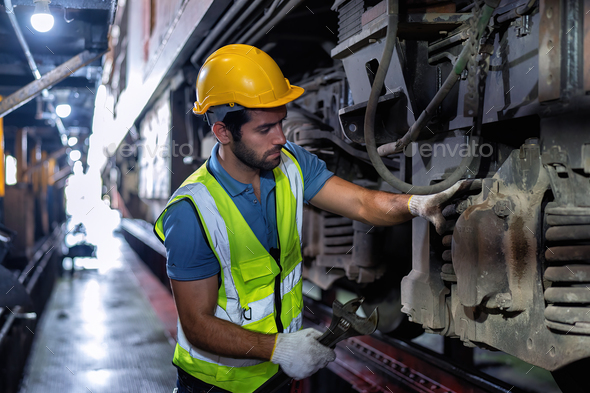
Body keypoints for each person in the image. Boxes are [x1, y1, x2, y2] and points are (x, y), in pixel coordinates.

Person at [154, 44, 466, 393]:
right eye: (264, 129)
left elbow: (362, 204)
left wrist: (417, 205)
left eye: (281, 122)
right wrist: (279, 348)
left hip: (279, 377)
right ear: (224, 133)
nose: (281, 138)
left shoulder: (289, 163)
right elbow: (197, 326)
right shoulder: (191, 212)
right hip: (217, 385)